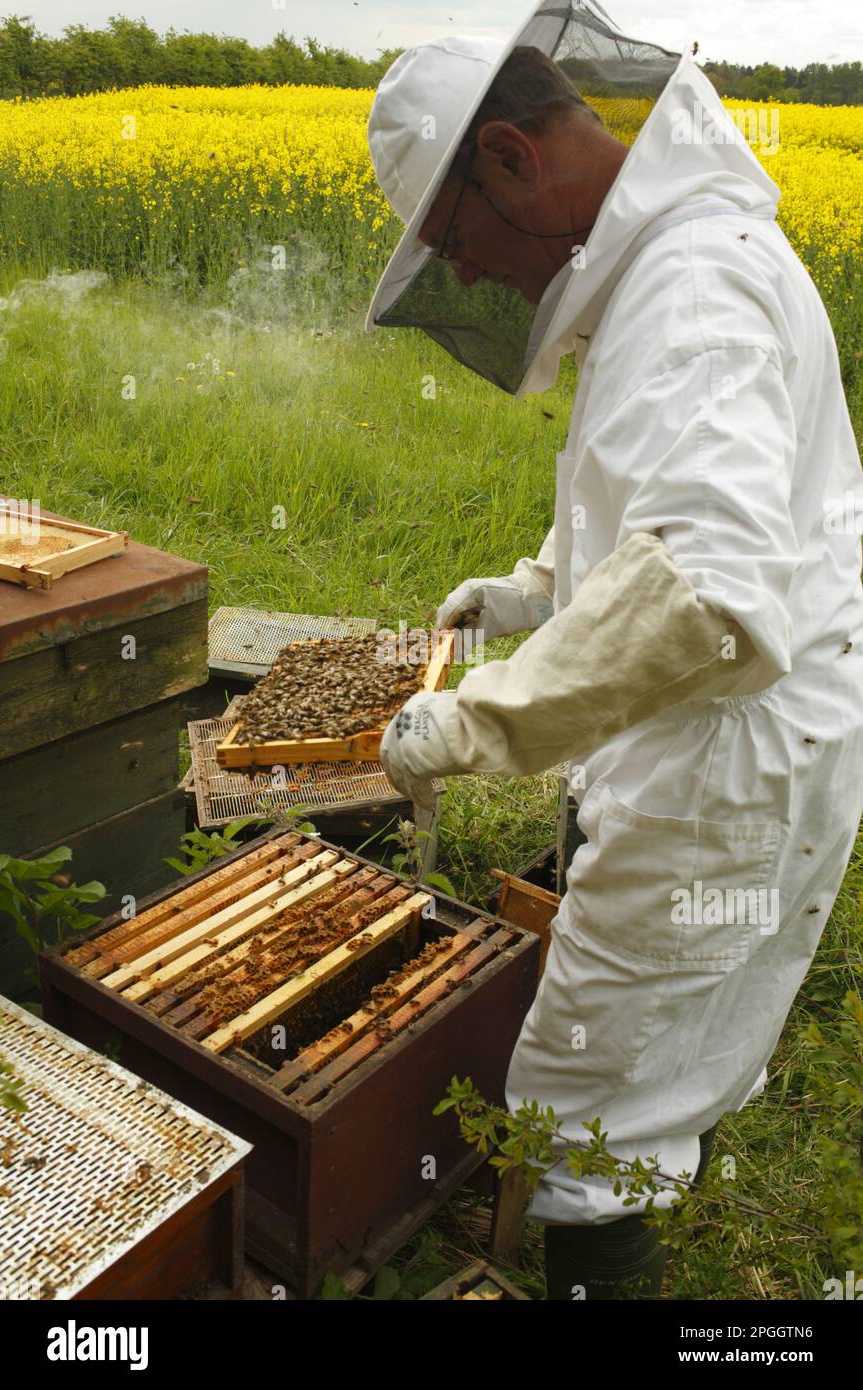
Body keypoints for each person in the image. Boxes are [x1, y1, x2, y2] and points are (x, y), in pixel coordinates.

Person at [366, 1, 863, 1298]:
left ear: (512, 162)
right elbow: (672, 506)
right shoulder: (677, 266)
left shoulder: (690, 289)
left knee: (578, 1102)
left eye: (453, 240)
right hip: (750, 728)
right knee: (657, 1039)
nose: (465, 277)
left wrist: (484, 719)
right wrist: (534, 593)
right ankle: (655, 1149)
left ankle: (604, 1254)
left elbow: (701, 583)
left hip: (720, 753)